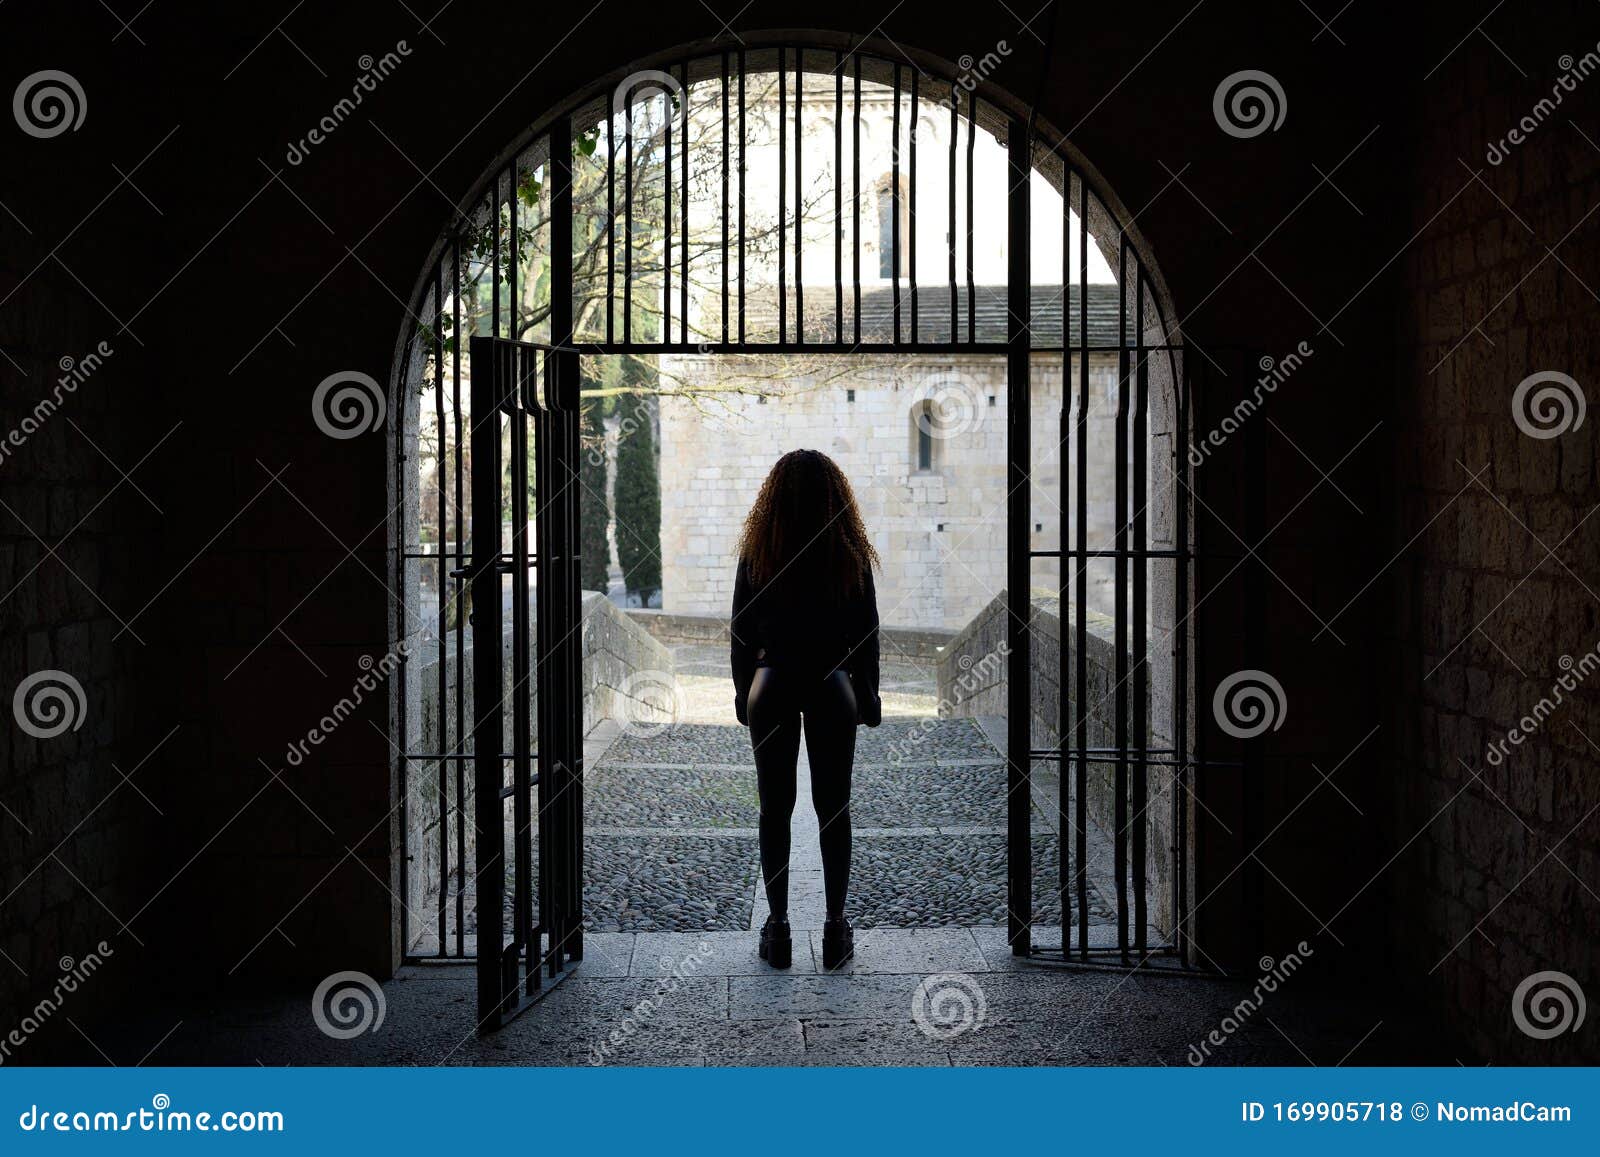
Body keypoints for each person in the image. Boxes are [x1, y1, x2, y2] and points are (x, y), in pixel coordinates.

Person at [730, 449, 882, 971]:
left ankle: (777, 930)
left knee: (774, 809)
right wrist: (869, 694)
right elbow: (866, 632)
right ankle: (836, 928)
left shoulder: (758, 553)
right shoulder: (848, 553)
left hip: (771, 682)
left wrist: (741, 693)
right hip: (831, 682)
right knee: (834, 809)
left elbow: (740, 630)